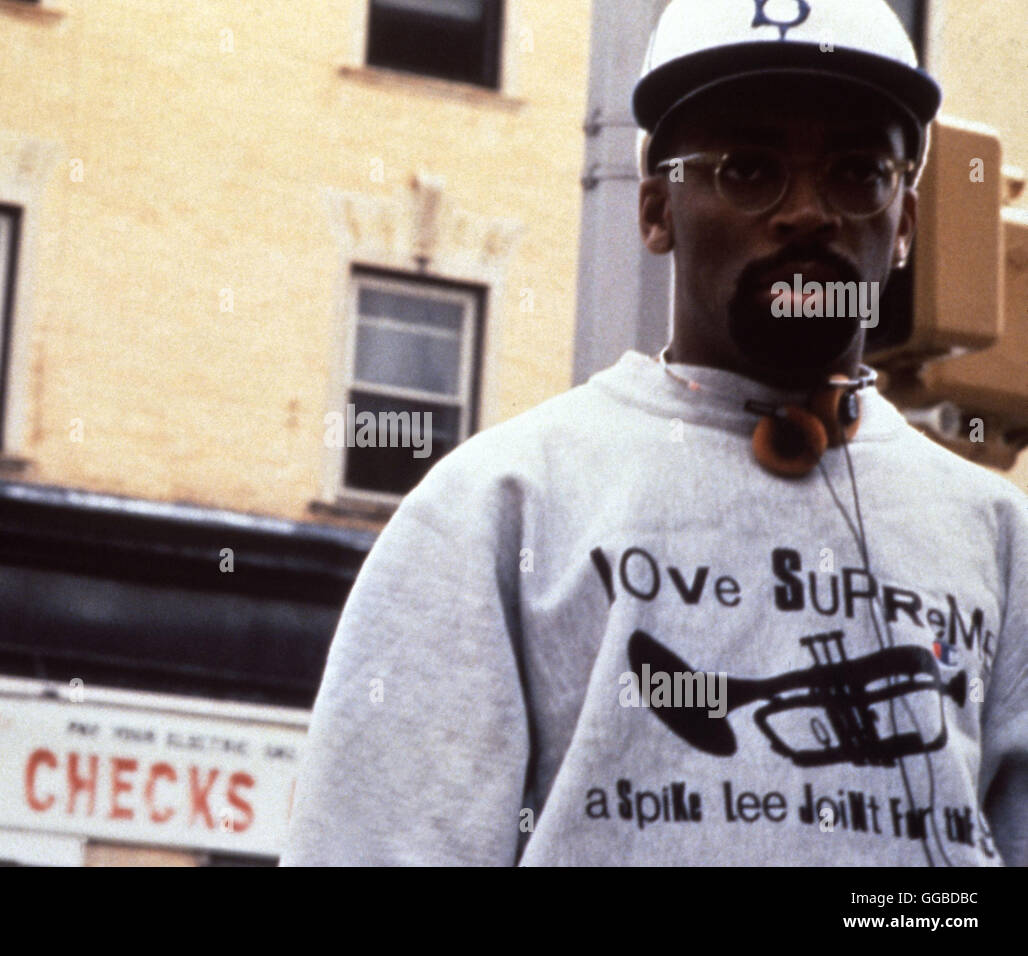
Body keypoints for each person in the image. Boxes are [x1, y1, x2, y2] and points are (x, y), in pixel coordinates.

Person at [281, 0, 1028, 866]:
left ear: (903, 225)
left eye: (858, 174)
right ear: (655, 209)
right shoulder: (496, 506)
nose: (807, 212)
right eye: (749, 168)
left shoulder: (998, 535)